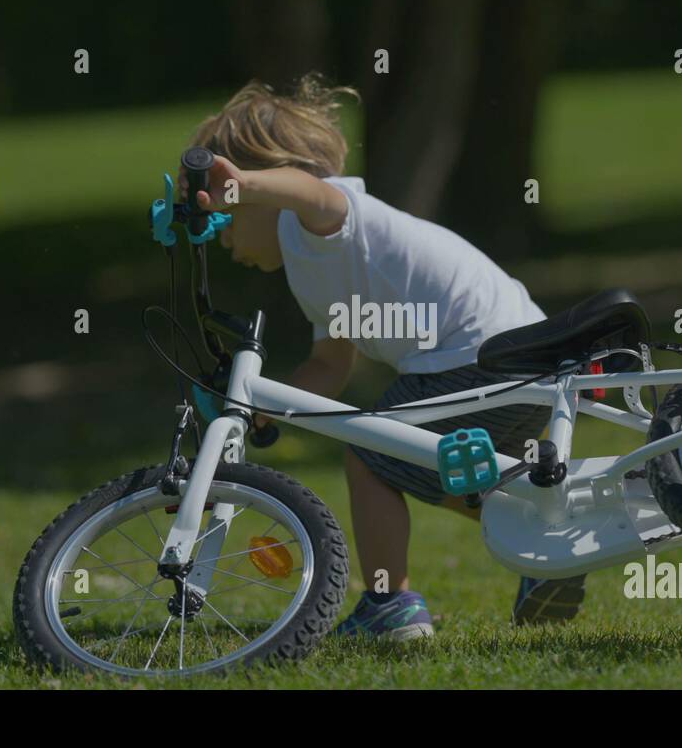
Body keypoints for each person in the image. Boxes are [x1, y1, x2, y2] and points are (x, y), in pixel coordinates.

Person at [181, 74, 585, 640]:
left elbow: (311, 190)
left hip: (471, 356)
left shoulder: (317, 221)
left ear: (264, 186)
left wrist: (243, 183)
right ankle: (549, 551)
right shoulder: (315, 266)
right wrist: (265, 407)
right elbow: (330, 366)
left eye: (226, 214)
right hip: (520, 355)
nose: (223, 235)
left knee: (370, 457)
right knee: (480, 480)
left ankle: (388, 602)